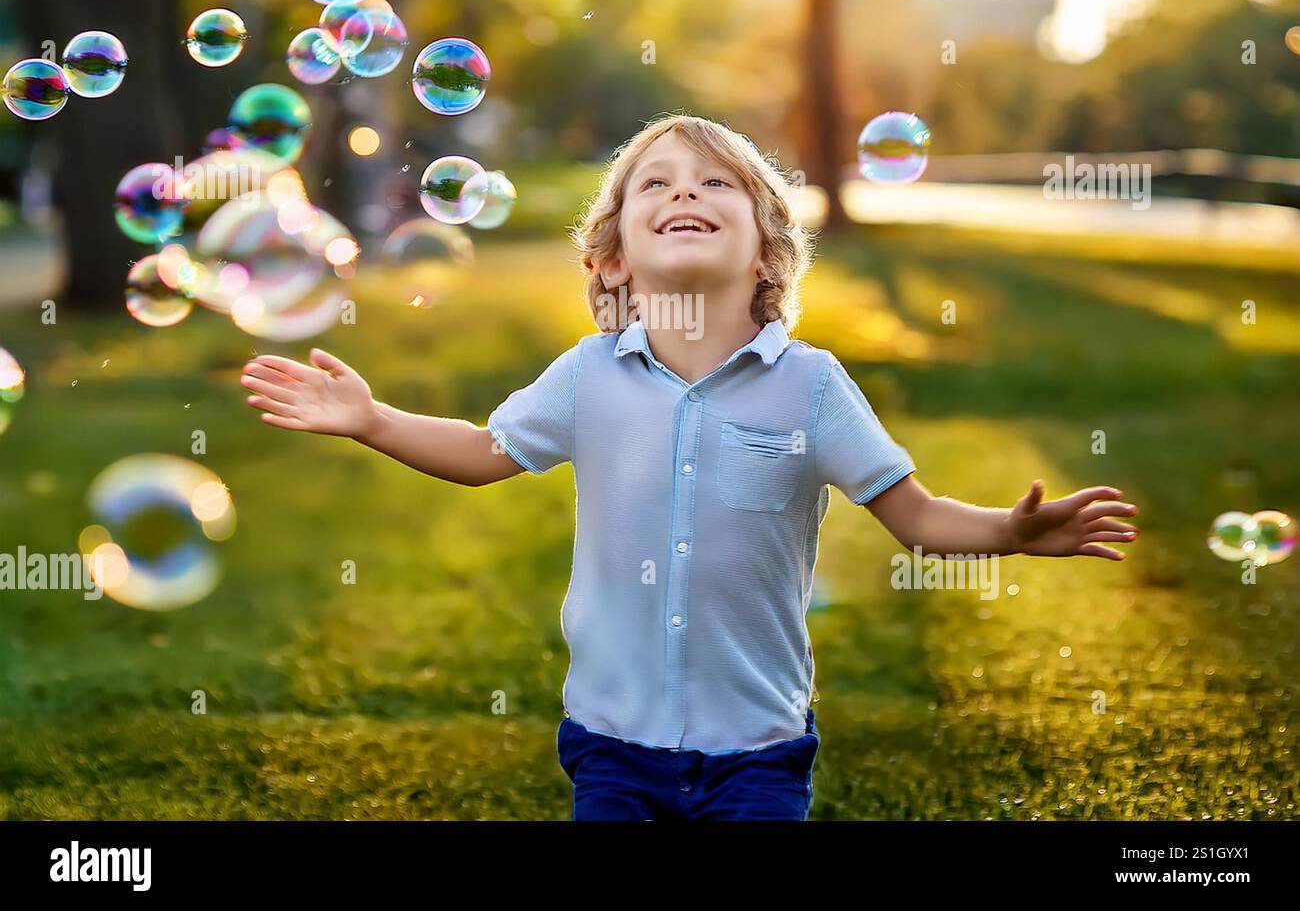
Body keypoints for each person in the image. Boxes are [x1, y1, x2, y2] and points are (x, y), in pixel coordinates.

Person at [240, 113, 1139, 821]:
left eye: (719, 183)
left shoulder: (812, 385)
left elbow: (917, 516)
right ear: (617, 257)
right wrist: (373, 419)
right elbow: (484, 453)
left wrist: (1012, 532)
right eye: (657, 184)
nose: (688, 190)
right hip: (611, 741)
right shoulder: (590, 373)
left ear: (766, 253)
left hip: (758, 749)